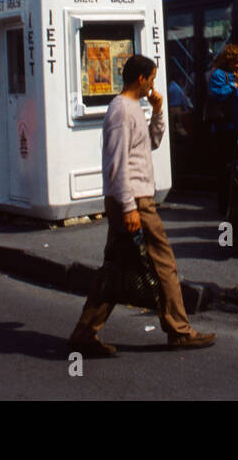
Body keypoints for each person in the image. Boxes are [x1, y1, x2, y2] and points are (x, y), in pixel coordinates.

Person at [67, 55, 214, 356]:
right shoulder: (122, 110)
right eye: (152, 78)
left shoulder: (133, 108)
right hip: (133, 199)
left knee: (116, 268)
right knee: (163, 264)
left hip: (132, 198)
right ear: (141, 79)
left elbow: (153, 142)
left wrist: (159, 110)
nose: (153, 84)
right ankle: (179, 330)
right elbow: (117, 163)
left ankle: (84, 333)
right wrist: (129, 207)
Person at [206, 44, 238, 215]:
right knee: (225, 168)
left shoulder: (236, 75)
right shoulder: (218, 75)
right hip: (224, 127)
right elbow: (217, 94)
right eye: (237, 63)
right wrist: (235, 85)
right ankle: (224, 203)